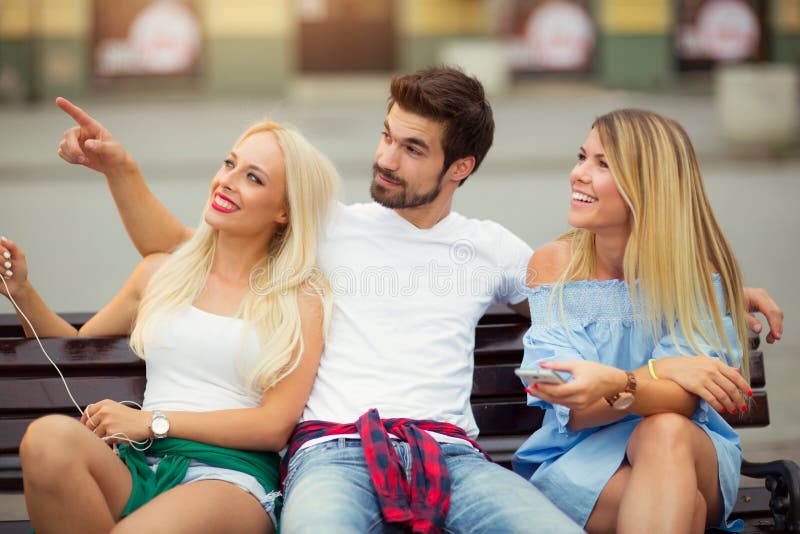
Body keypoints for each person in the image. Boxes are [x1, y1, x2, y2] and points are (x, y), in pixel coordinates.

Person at [54, 67, 782, 533]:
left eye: (412, 149)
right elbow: (185, 245)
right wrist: (119, 170)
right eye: (385, 136)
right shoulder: (323, 227)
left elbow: (594, 278)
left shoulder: (493, 247)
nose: (384, 158)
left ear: (459, 167)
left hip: (451, 456)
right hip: (333, 451)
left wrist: (713, 283)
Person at [1, 109, 339, 533]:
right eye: (230, 164)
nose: (228, 181)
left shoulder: (298, 296)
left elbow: (273, 426)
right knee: (48, 440)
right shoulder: (164, 272)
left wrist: (154, 421)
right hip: (140, 466)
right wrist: (22, 292)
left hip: (229, 479)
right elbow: (72, 349)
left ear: (285, 212)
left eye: (254, 178)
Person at [512, 109, 758, 533]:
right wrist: (661, 370)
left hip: (691, 448)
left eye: (603, 164)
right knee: (686, 508)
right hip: (582, 460)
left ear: (649, 186)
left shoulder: (696, 272)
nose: (578, 174)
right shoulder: (555, 265)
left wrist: (614, 382)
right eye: (582, 156)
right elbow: (576, 406)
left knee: (665, 431)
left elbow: (684, 400)